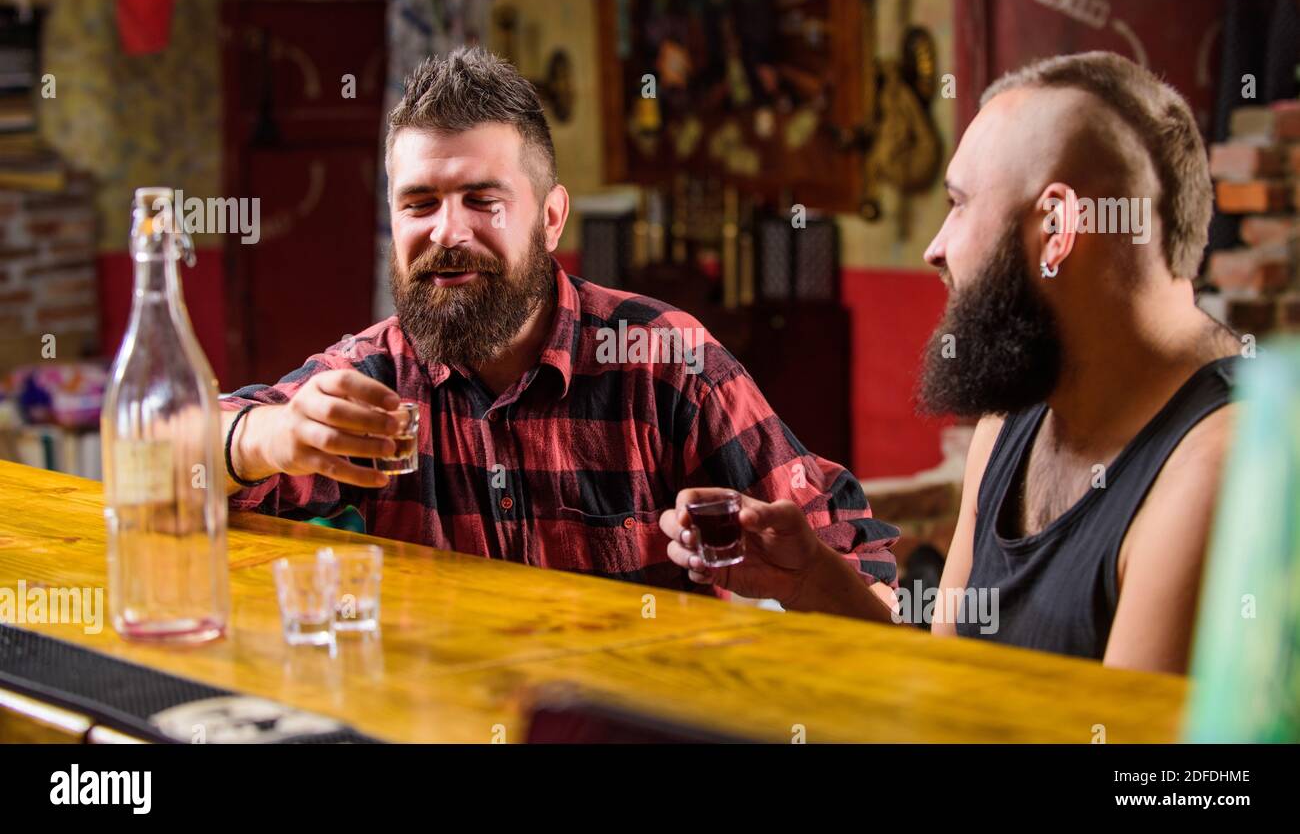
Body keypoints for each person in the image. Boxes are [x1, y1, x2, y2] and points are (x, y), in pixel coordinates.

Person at [219, 46, 898, 595]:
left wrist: (804, 576)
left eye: (482, 200)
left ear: (550, 218)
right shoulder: (375, 375)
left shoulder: (663, 360)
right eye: (419, 204)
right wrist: (268, 435)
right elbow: (171, 458)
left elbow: (861, 569)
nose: (446, 232)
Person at [661, 52, 1242, 673]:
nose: (935, 249)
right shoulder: (1012, 421)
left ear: (1056, 227)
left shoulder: (1219, 467)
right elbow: (946, 681)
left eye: (958, 203)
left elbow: (1132, 743)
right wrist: (810, 581)